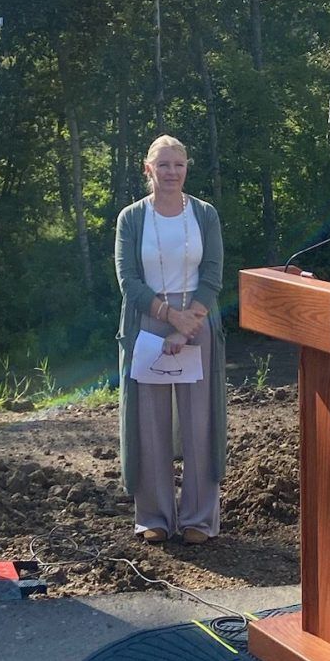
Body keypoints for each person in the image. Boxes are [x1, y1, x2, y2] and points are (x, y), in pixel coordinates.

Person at [114, 135, 225, 545]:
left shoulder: (204, 214)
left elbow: (213, 273)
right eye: (163, 165)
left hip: (198, 322)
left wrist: (186, 324)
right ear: (148, 169)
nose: (171, 172)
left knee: (199, 422)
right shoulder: (131, 218)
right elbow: (128, 279)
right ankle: (155, 517)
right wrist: (167, 317)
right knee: (150, 423)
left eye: (178, 164)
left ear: (186, 168)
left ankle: (199, 518)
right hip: (147, 323)